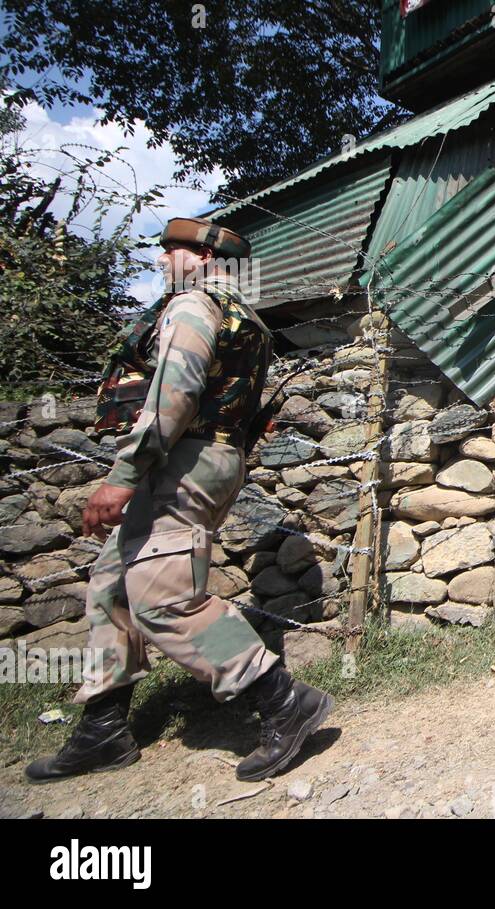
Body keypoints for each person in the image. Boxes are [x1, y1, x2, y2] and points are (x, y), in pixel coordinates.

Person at [26, 217, 335, 784]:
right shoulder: (244, 316)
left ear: (205, 259)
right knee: (113, 585)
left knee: (164, 598)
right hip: (199, 457)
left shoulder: (195, 305)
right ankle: (103, 727)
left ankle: (281, 698)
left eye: (173, 250)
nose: (163, 259)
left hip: (183, 460)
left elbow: (177, 393)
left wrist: (122, 474)